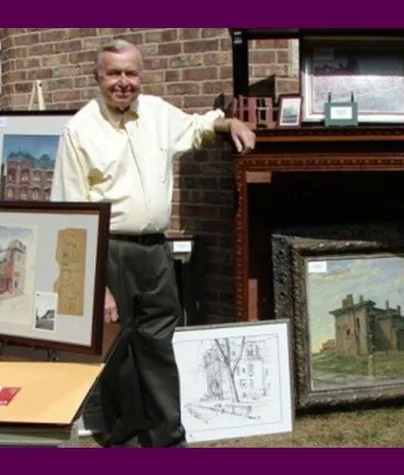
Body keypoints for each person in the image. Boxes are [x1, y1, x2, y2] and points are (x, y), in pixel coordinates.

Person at [53, 38, 257, 448]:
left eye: (131, 73)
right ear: (98, 77)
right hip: (110, 251)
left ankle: (168, 439)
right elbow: (71, 215)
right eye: (114, 73)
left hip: (156, 252)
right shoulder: (80, 129)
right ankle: (126, 440)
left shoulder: (158, 113)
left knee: (159, 346)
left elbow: (196, 128)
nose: (123, 82)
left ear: (140, 76)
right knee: (118, 352)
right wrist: (96, 284)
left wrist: (230, 124)